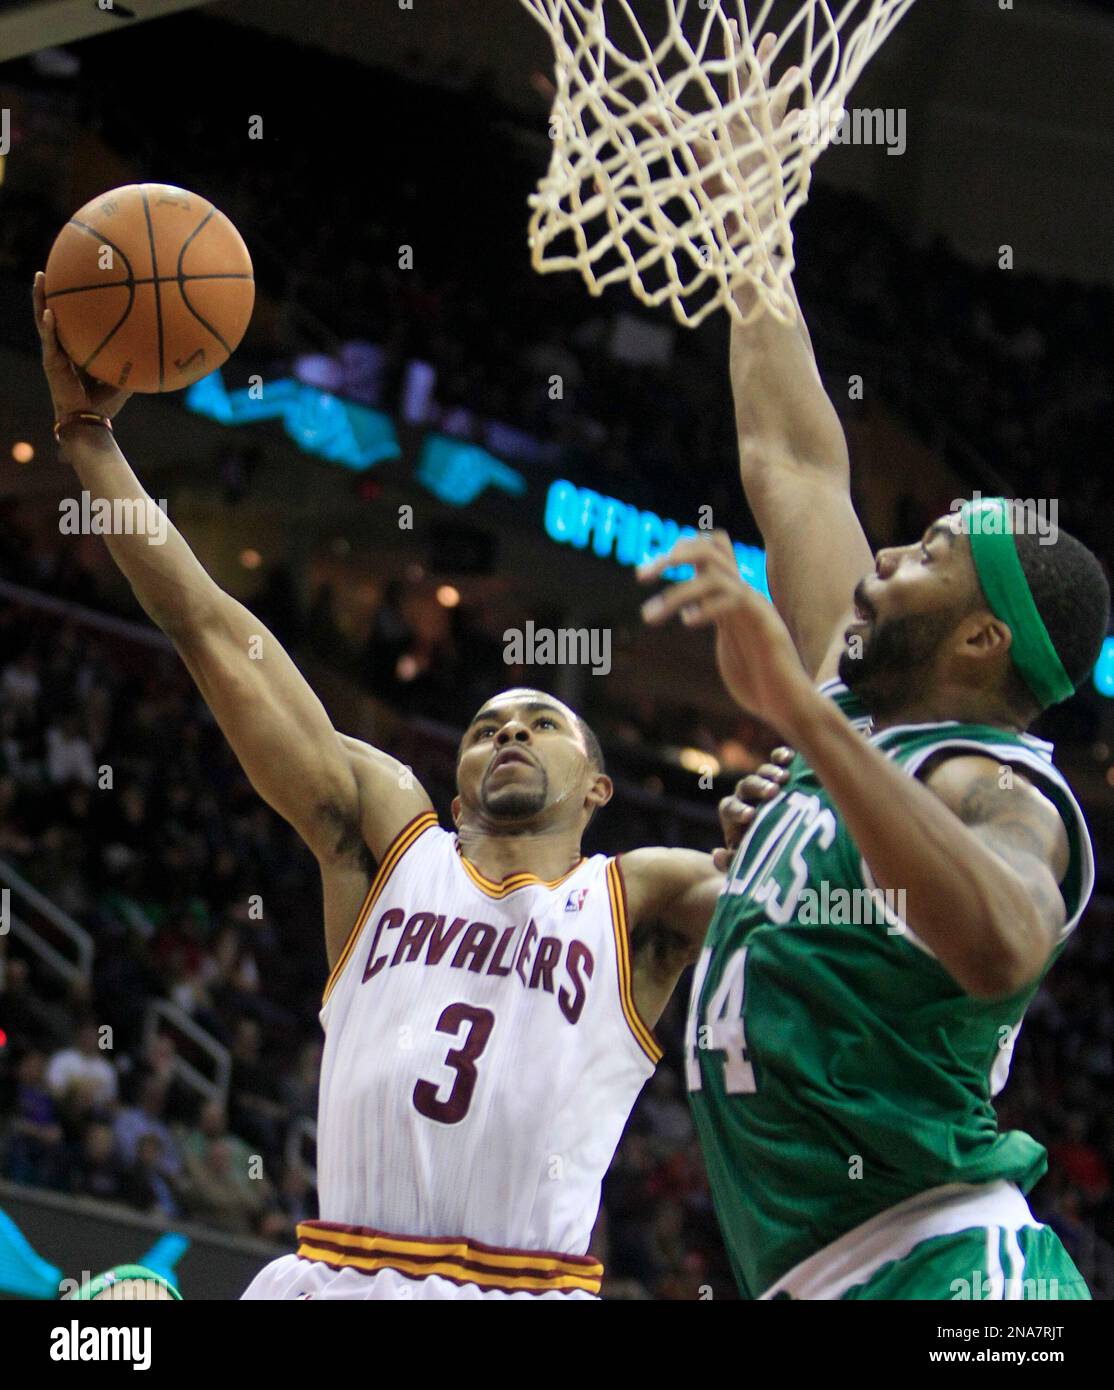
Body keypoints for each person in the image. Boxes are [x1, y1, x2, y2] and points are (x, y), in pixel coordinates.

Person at [33, 274, 724, 1301]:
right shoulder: (390, 842)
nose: (510, 732)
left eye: (542, 722)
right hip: (336, 1273)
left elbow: (825, 909)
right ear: (456, 781)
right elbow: (214, 629)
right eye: (485, 727)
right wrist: (88, 442)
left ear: (598, 789)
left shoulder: (641, 897)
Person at [637, 38, 1108, 1302]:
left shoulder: (996, 785)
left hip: (955, 1268)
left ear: (981, 638)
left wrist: (803, 720)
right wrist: (749, 227)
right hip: (825, 1273)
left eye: (935, 550)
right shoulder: (853, 703)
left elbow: (1007, 939)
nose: (893, 549)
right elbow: (795, 463)